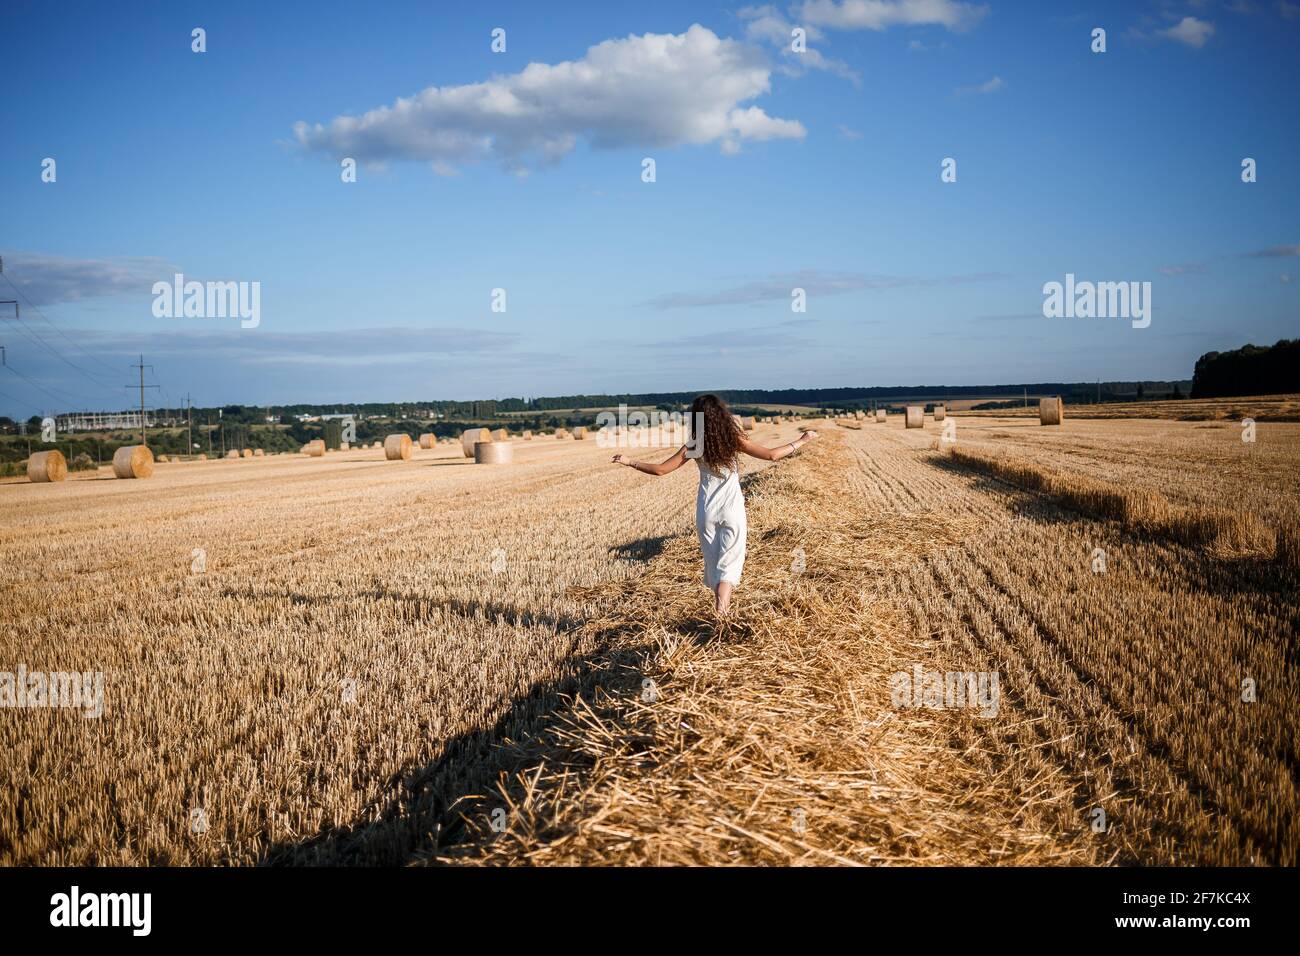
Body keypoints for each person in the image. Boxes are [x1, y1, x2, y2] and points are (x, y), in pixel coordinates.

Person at [612, 394, 818, 616]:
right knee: (728, 566)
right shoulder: (733, 439)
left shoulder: (694, 444)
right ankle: (722, 612)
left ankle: (720, 609)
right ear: (722, 415)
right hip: (732, 510)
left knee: (714, 564)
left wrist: (630, 461)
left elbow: (661, 470)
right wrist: (802, 440)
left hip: (706, 511)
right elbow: (771, 455)